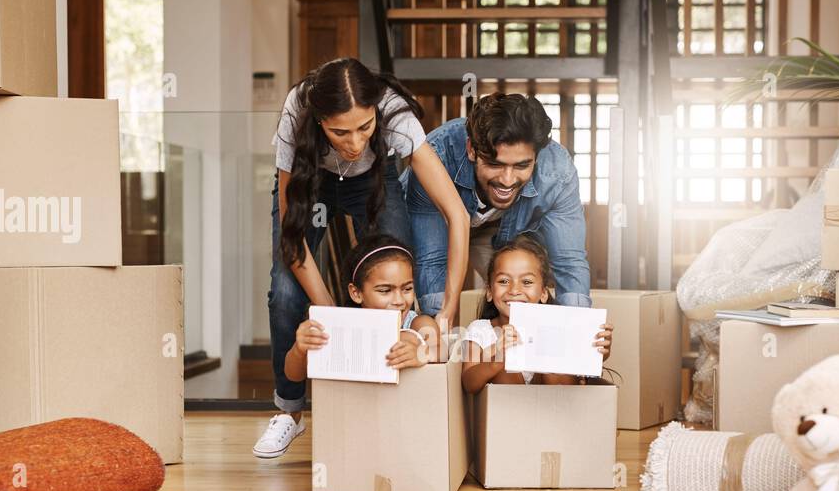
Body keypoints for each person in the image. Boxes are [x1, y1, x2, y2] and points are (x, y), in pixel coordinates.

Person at [254, 58, 469, 460]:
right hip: (311, 182)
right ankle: (289, 412)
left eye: (364, 128)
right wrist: (335, 316)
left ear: (377, 113)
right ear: (318, 121)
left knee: (393, 279)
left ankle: (387, 397)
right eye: (340, 132)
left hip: (372, 182)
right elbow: (292, 236)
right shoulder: (296, 109)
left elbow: (456, 213)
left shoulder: (395, 112)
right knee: (284, 293)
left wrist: (450, 307)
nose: (354, 143)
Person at [404, 92, 591, 323]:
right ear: (472, 150)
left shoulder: (557, 171)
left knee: (512, 291)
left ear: (537, 156)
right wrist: (437, 329)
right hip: (433, 224)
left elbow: (569, 262)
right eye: (495, 164)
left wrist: (580, 331)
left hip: (497, 228)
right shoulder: (437, 156)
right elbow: (432, 259)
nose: (507, 180)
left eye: (522, 165)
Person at [462, 234, 612, 395]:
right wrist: (496, 361)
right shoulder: (480, 330)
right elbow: (468, 384)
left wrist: (598, 353)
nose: (514, 290)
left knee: (555, 359)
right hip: (506, 414)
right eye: (504, 281)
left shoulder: (559, 328)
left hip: (555, 410)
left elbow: (580, 373)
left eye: (526, 282)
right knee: (505, 369)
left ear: (543, 293)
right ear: (490, 292)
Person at [284, 236, 439, 383]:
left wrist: (422, 353)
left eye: (407, 289)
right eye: (385, 290)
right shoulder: (339, 330)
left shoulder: (418, 324)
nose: (399, 301)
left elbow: (441, 352)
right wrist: (300, 349)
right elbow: (294, 376)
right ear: (356, 293)